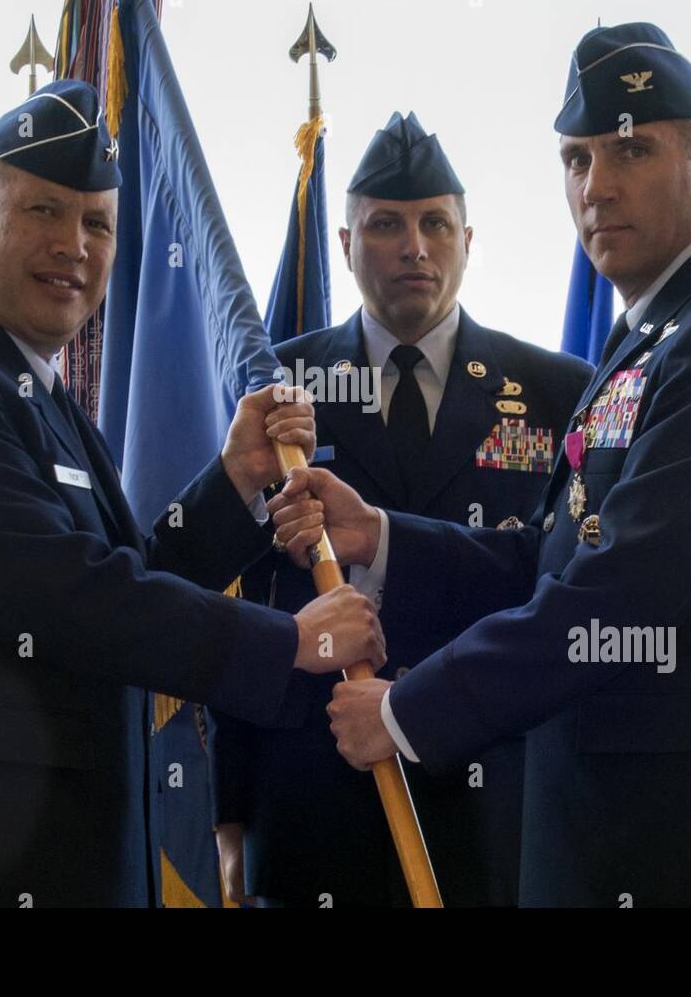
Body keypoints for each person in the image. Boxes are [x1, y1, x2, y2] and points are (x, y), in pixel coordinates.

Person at [277, 24, 691, 907]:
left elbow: (621, 589)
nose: (598, 186)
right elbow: (553, 555)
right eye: (576, 160)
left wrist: (405, 711)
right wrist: (384, 537)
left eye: (630, 150)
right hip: (606, 833)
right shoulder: (648, 337)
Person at [0, 79, 384, 907]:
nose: (75, 245)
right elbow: (62, 597)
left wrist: (233, 480)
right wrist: (287, 643)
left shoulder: (38, 393)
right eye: (43, 212)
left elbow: (122, 568)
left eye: (97, 223)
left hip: (79, 865)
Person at [212, 112, 591, 907]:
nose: (413, 246)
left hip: (496, 797)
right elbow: (239, 595)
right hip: (314, 797)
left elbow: (563, 591)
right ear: (346, 244)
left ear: (466, 239)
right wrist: (229, 810)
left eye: (434, 224)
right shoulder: (279, 388)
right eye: (385, 225)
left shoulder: (560, 390)